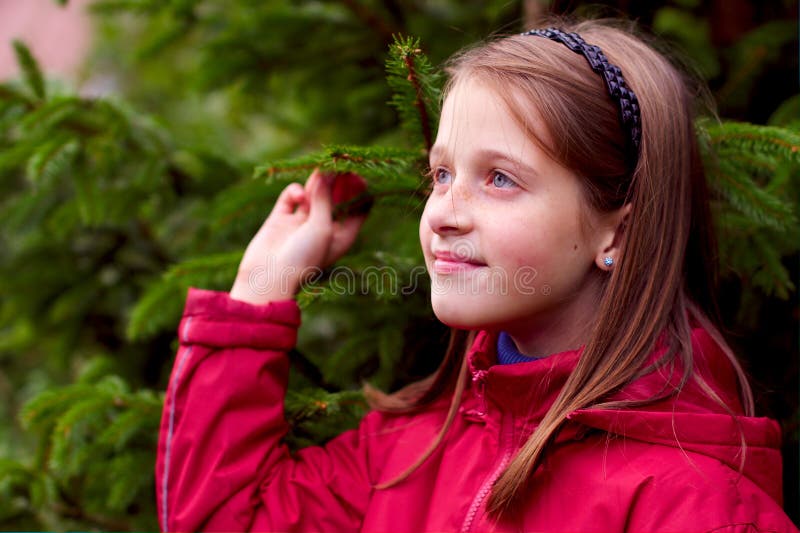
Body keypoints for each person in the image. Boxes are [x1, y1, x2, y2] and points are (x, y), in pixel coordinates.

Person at [155, 18, 798, 532]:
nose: (443, 214)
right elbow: (226, 518)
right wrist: (262, 283)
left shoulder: (697, 508)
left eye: (499, 178)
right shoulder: (409, 452)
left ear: (618, 234)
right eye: (441, 174)